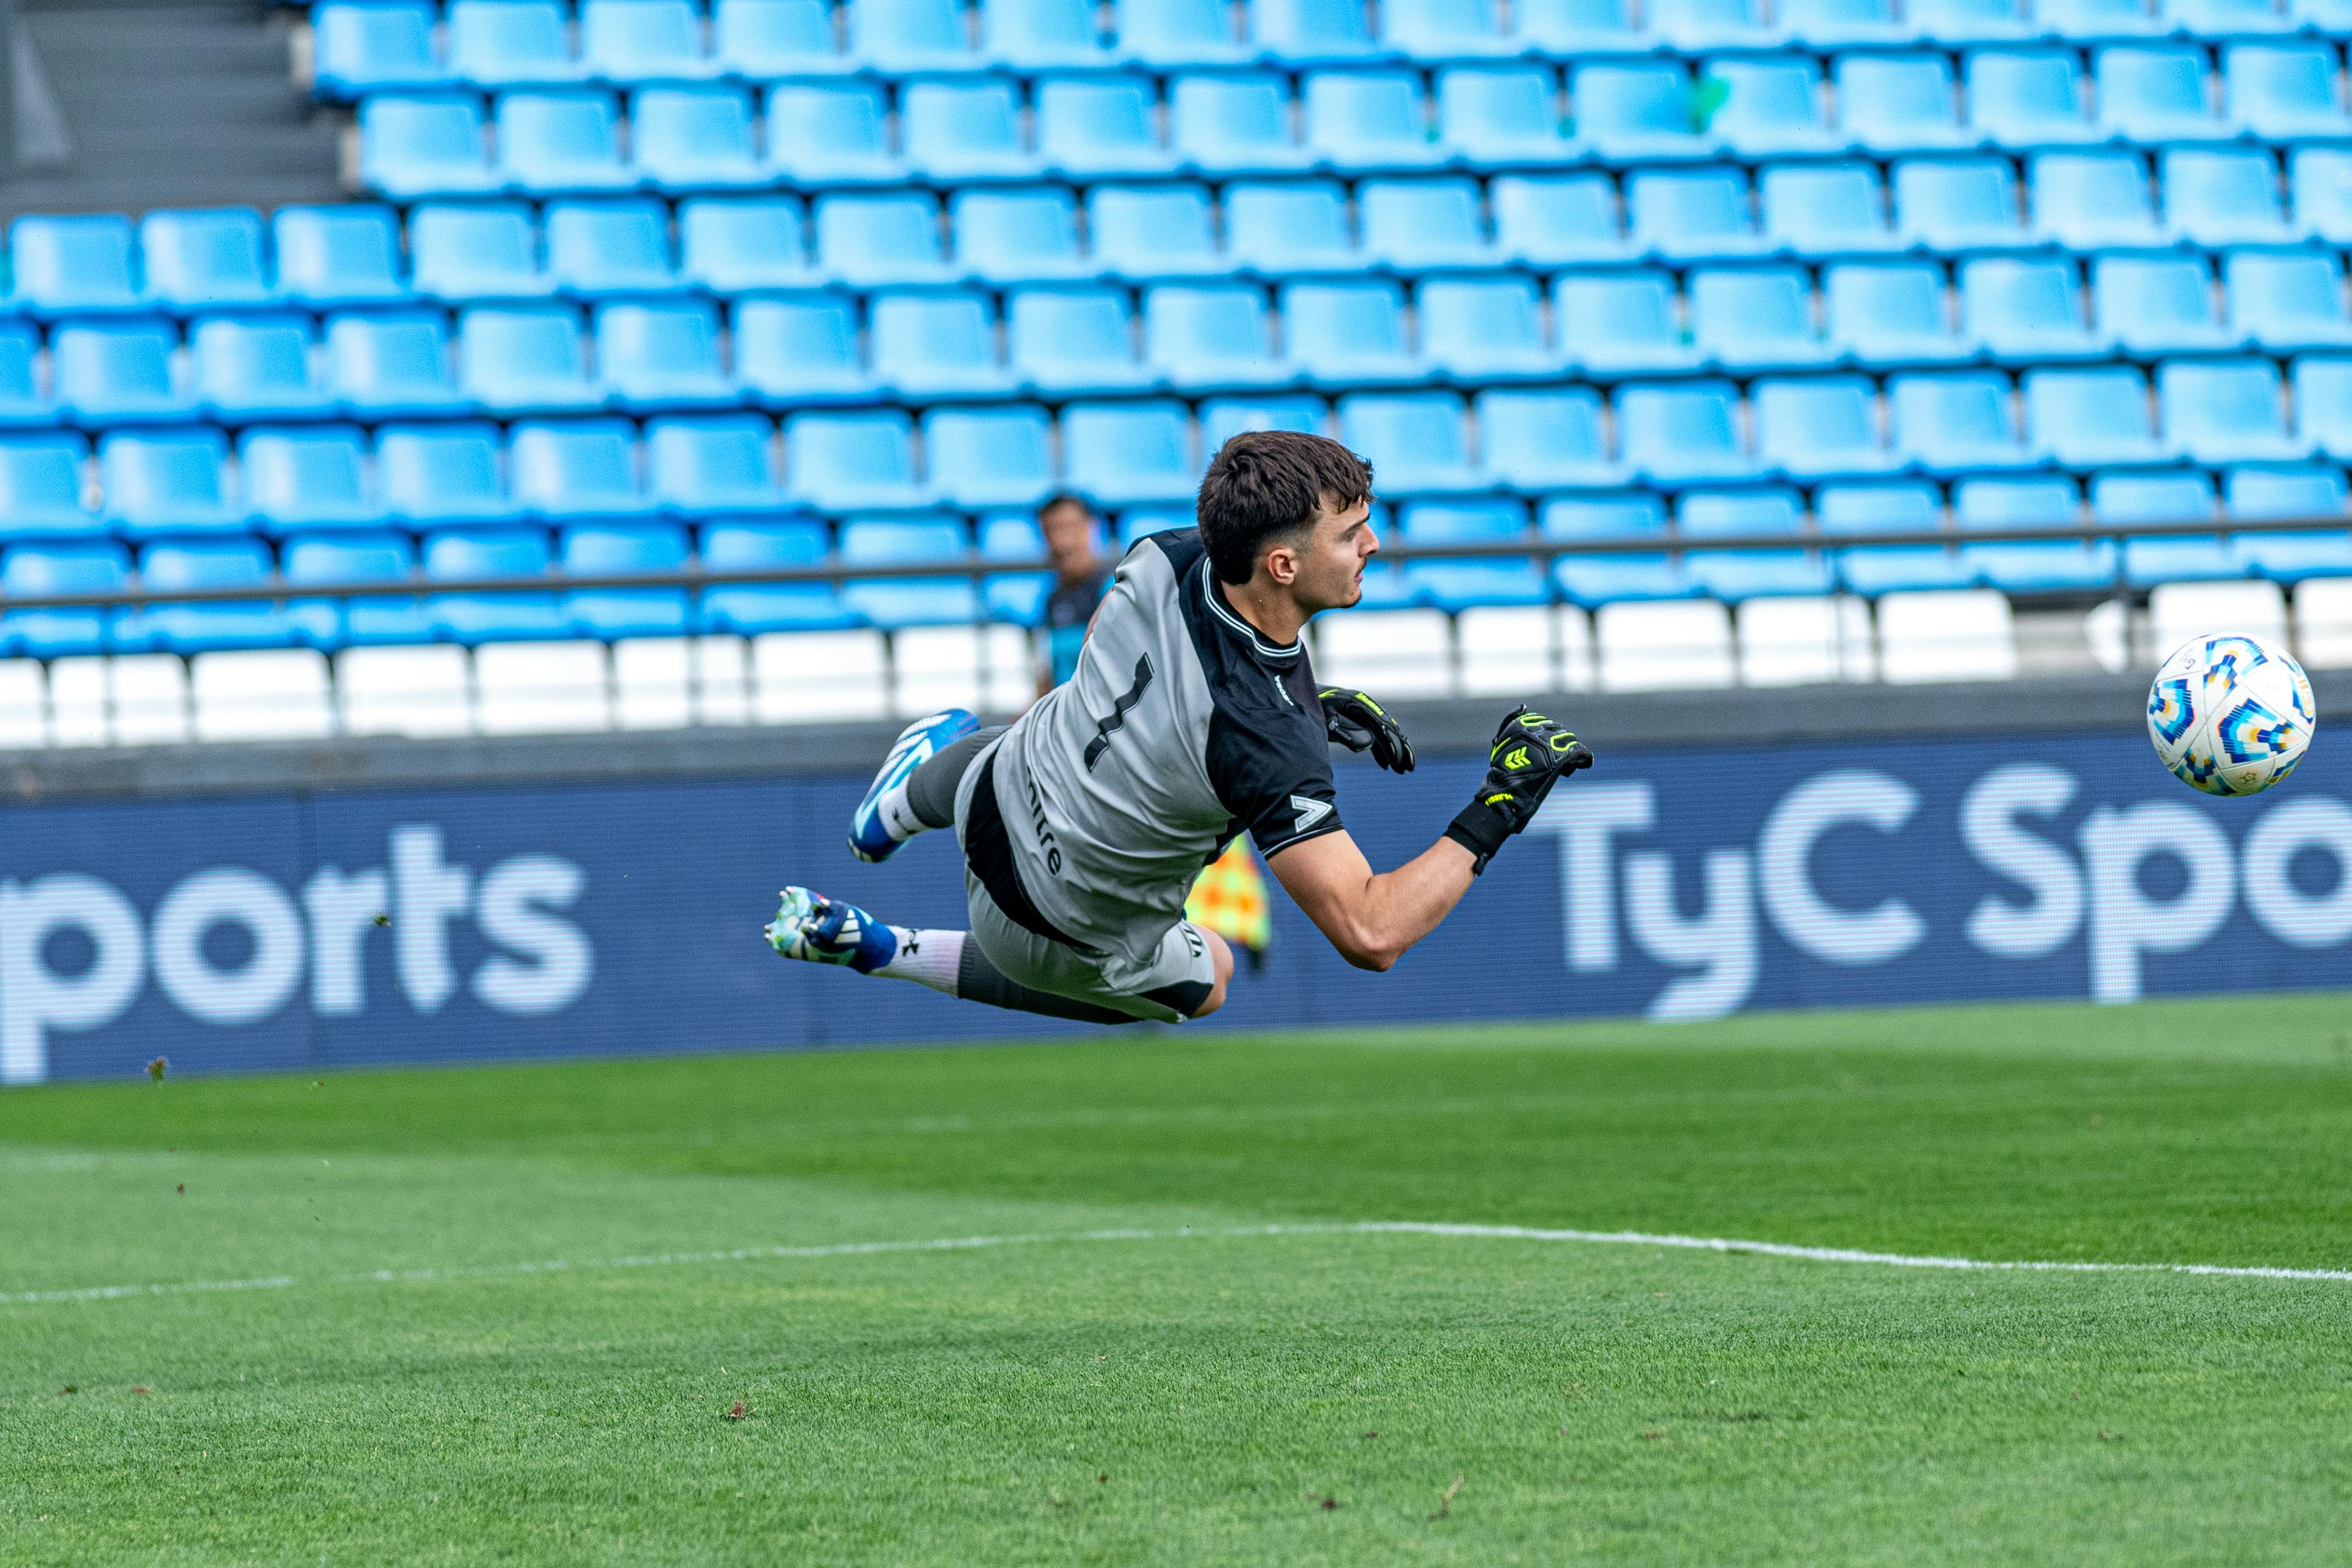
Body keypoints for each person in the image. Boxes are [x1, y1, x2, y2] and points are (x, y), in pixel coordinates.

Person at [764, 431, 1594, 1027]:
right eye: (1351, 534)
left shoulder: (1164, 552)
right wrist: (1502, 801)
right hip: (1045, 930)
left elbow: (1117, 651)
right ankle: (882, 947)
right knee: (1213, 979)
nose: (1372, 545)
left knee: (1042, 730)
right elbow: (1370, 932)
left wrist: (1303, 706)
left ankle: (896, 807)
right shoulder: (1265, 736)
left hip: (994, 785)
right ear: (1283, 564)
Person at [1036, 493, 1113, 698]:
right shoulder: (1052, 599)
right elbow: (1048, 676)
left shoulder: (1112, 589)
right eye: (1052, 530)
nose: (1062, 542)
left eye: (1070, 527)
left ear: (1092, 527)